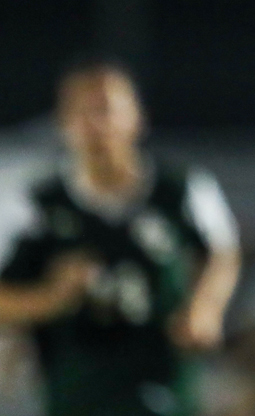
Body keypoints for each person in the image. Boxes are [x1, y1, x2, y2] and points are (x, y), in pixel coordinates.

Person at [0, 57, 242, 416]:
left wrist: (205, 306)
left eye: (107, 110)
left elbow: (222, 252)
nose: (96, 125)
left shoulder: (183, 190)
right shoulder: (34, 205)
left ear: (137, 117)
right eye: (83, 113)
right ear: (63, 124)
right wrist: (51, 297)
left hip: (164, 384)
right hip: (76, 391)